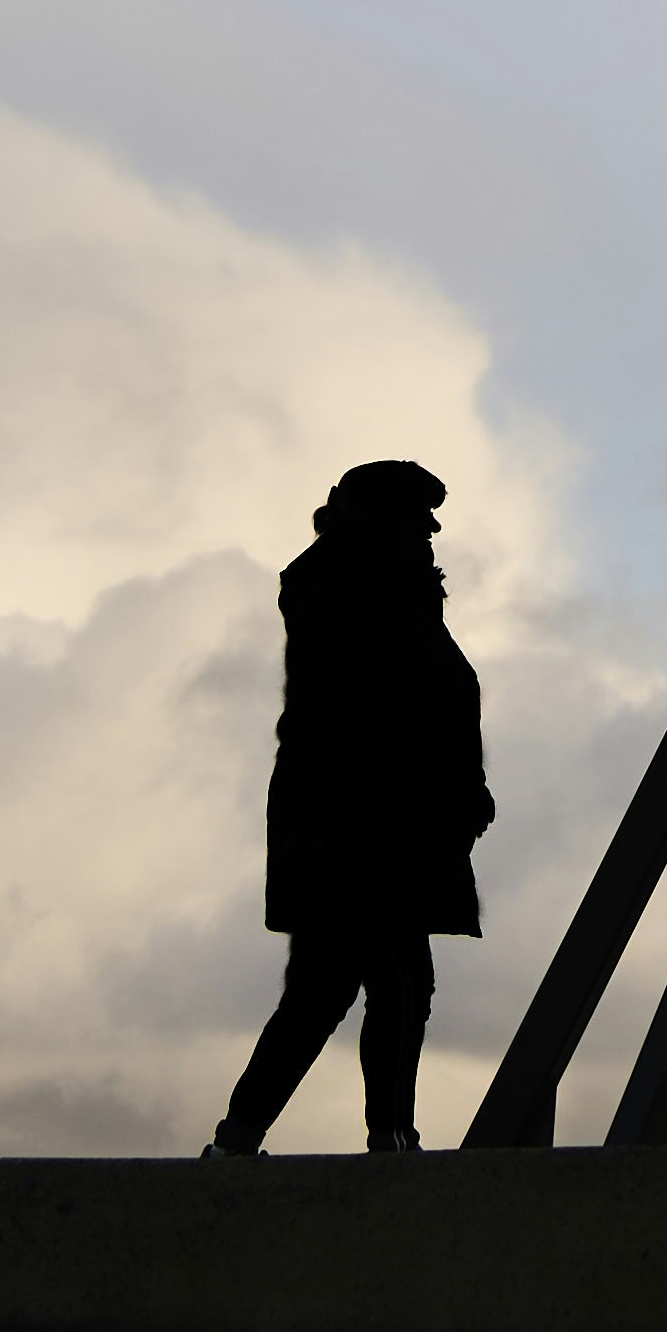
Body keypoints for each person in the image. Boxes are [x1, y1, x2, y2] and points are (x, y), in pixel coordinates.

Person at [205, 458, 492, 1156]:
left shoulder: (369, 586)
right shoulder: (357, 589)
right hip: (365, 827)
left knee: (322, 991)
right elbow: (389, 712)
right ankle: (389, 1141)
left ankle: (242, 1141)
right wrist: (447, 793)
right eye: (415, 526)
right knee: (395, 980)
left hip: (367, 824)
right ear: (383, 524)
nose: (428, 540)